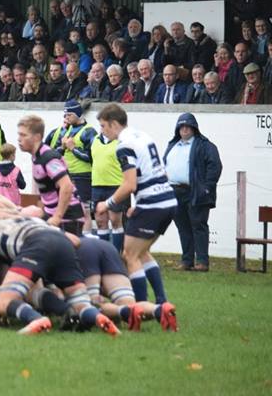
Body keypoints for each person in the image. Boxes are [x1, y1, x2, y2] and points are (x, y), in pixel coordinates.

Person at [0, 215, 120, 336]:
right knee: (80, 303)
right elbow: (76, 241)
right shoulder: (35, 220)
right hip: (63, 244)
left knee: (3, 302)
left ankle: (36, 319)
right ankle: (100, 319)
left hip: (36, 246)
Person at [94, 104, 177, 323]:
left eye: (103, 126)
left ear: (113, 123)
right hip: (167, 200)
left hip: (153, 204)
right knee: (141, 252)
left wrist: (107, 203)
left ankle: (141, 309)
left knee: (128, 256)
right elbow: (157, 171)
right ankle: (161, 301)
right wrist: (139, 202)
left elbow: (129, 184)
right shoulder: (143, 136)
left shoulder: (124, 146)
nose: (102, 131)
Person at [164, 113, 223, 272]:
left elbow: (214, 166)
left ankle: (202, 262)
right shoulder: (173, 145)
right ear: (178, 129)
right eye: (181, 126)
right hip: (175, 192)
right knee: (183, 227)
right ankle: (187, 261)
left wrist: (207, 187)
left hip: (196, 191)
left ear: (194, 128)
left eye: (187, 126)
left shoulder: (205, 145)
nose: (184, 129)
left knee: (198, 226)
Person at [17, 114, 85, 234]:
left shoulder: (48, 157)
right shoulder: (36, 157)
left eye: (23, 135)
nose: (19, 139)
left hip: (67, 218)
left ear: (37, 137)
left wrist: (57, 217)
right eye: (19, 134)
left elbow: (67, 186)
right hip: (53, 215)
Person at [46, 101, 97, 234]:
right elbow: (55, 154)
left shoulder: (89, 131)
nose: (66, 117)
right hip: (66, 176)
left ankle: (86, 239)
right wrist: (63, 147)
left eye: (69, 114)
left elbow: (91, 157)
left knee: (84, 210)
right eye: (65, 114)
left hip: (83, 176)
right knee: (65, 208)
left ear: (78, 114)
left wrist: (73, 148)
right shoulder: (65, 130)